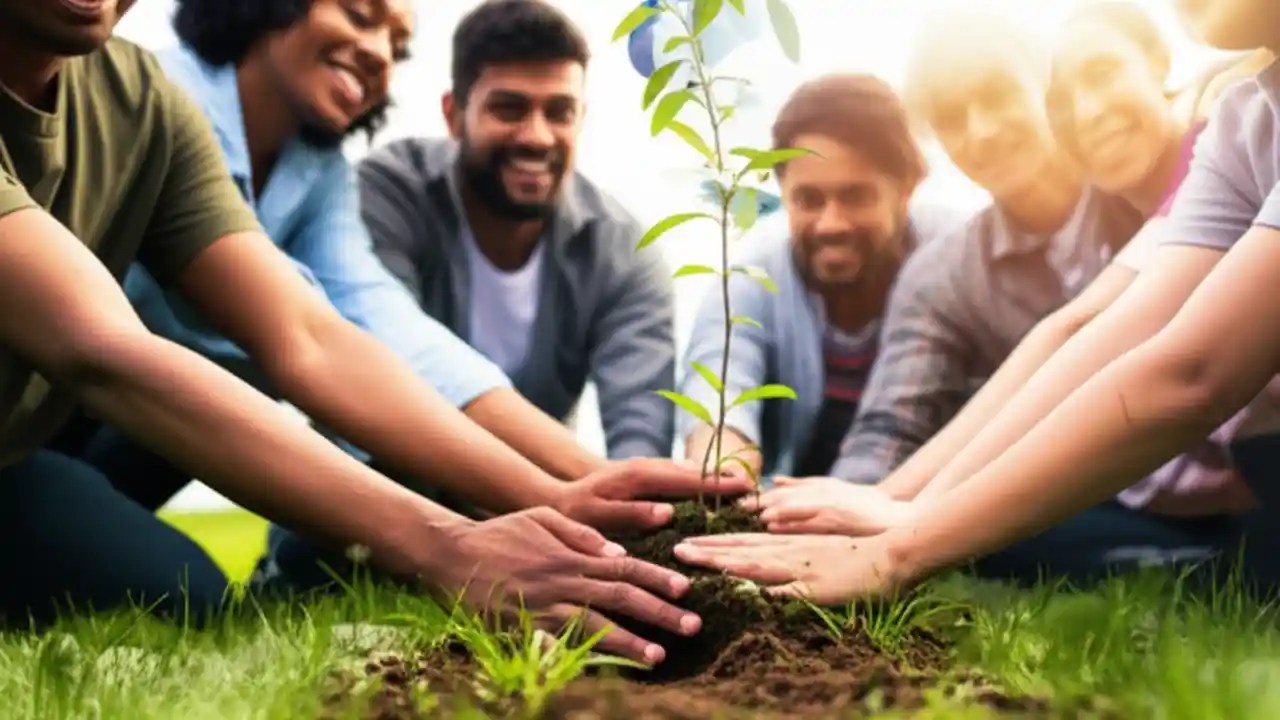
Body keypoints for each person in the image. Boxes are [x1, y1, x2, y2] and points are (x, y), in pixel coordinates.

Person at [0, 0, 729, 666]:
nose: (380, 52)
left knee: (189, 601)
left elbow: (315, 335)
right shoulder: (191, 98)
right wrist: (444, 545)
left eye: (398, 40)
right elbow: (100, 347)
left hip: (36, 441)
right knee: (161, 586)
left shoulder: (146, 104)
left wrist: (557, 491)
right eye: (358, 13)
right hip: (89, 413)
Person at [673, 0, 1280, 603]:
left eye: (1099, 77)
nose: (1086, 112)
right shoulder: (1240, 126)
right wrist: (902, 504)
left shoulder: (1183, 155)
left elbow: (1191, 371)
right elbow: (1085, 329)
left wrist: (900, 544)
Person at [809, 4, 1224, 583]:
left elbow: (1097, 338)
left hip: (1232, 477)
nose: (980, 130)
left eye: (998, 95)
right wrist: (876, 505)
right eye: (954, 117)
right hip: (1139, 497)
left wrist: (907, 519)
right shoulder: (947, 274)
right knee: (996, 530)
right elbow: (901, 416)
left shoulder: (1176, 167)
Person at [357, 0, 676, 461]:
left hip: (546, 505)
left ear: (581, 118)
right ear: (453, 114)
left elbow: (640, 434)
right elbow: (382, 378)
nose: (537, 136)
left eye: (560, 112)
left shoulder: (621, 252)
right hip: (372, 502)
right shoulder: (392, 193)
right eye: (509, 109)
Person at [679, 73, 963, 481]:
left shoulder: (957, 261)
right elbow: (718, 391)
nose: (832, 224)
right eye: (808, 200)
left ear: (907, 188)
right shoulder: (752, 280)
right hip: (795, 506)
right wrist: (724, 470)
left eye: (856, 197)